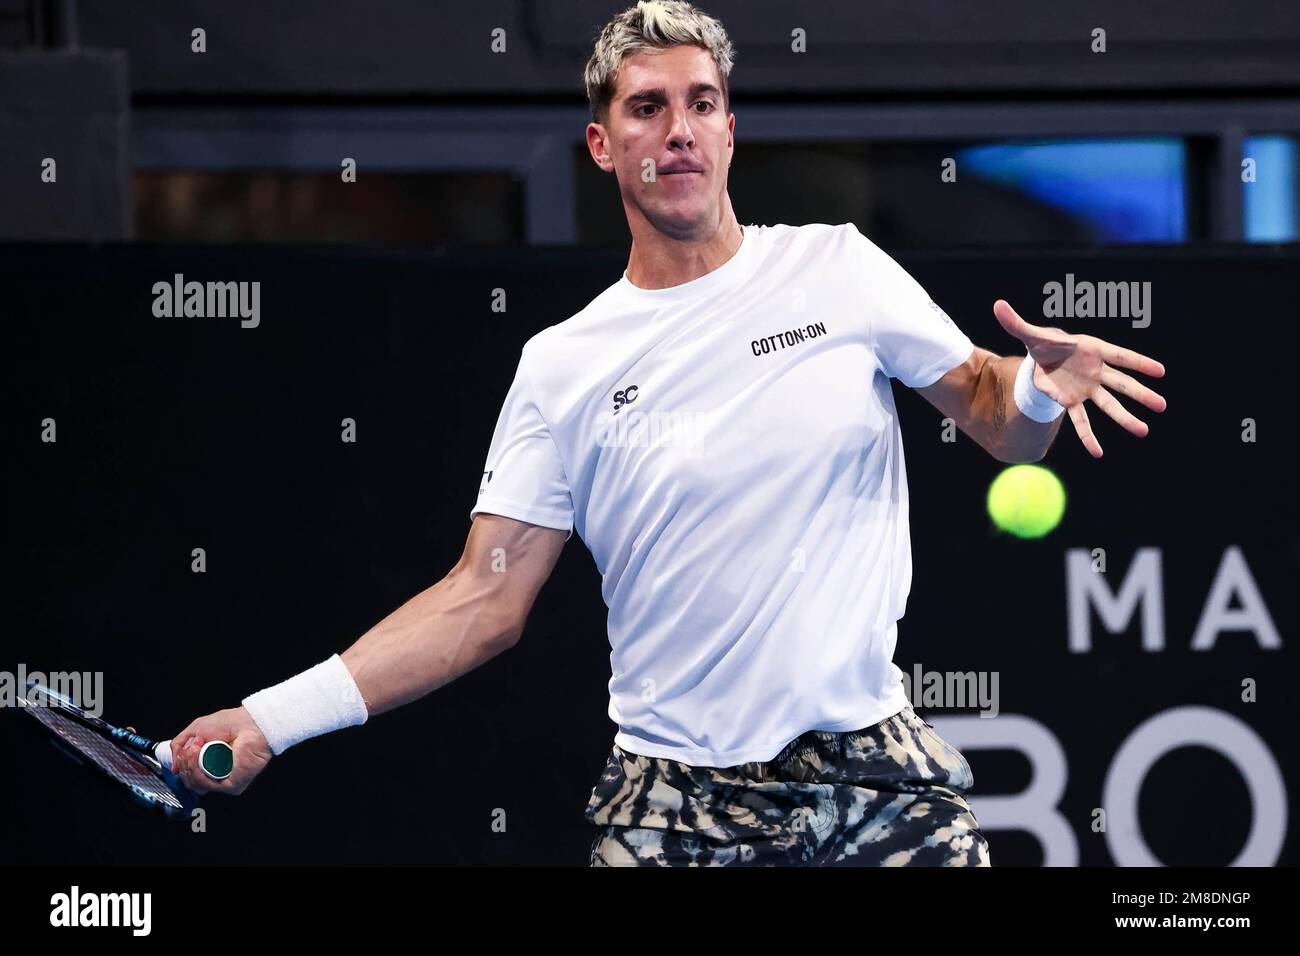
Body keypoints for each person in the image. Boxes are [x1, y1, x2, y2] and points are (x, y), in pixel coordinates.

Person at [170, 0, 1167, 866]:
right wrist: (271, 717)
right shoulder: (563, 365)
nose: (678, 130)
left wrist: (1036, 391)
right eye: (647, 108)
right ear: (603, 145)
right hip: (672, 801)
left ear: (729, 131)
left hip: (870, 773)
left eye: (699, 103)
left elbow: (1000, 424)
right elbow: (481, 597)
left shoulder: (838, 269)